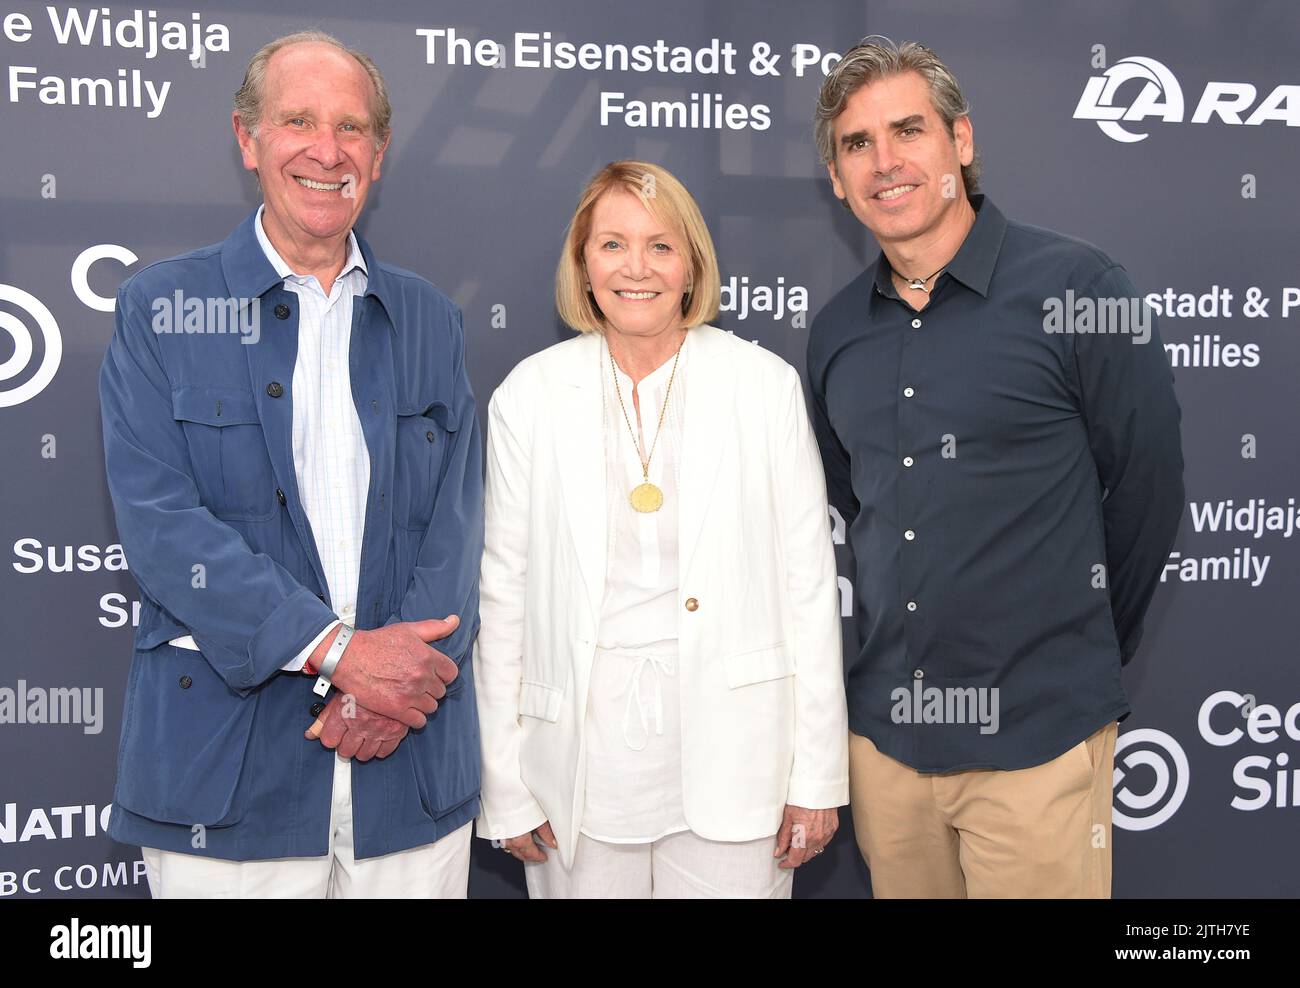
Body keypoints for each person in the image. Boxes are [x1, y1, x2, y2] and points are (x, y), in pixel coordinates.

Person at [98, 31, 483, 898]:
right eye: (297, 120)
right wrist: (341, 655)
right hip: (225, 784)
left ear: (378, 157)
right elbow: (163, 529)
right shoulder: (162, 308)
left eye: (352, 128)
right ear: (248, 139)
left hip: (407, 769)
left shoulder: (429, 318)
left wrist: (392, 690)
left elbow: (459, 527)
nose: (326, 149)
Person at [807, 37, 1184, 898]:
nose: (886, 161)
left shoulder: (1081, 286)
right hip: (889, 751)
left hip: (1038, 740)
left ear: (961, 142)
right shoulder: (834, 333)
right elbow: (855, 501)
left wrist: (1071, 650)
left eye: (909, 130)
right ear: (836, 178)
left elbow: (1148, 492)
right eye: (857, 144)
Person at [474, 161, 848, 898]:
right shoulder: (531, 395)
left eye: (660, 246)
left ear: (692, 266)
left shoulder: (762, 386)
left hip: (739, 764)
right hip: (576, 771)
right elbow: (503, 597)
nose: (635, 268)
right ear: (582, 265)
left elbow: (809, 588)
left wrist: (816, 774)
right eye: (611, 244)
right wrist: (505, 782)